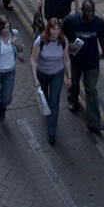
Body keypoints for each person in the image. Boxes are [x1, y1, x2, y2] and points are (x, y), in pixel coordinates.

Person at [63, 0, 104, 131]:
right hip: (75, 60)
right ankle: (73, 100)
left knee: (91, 90)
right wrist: (68, 45)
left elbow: (102, 37)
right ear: (82, 10)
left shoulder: (98, 22)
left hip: (91, 62)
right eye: (88, 11)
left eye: (93, 11)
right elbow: (62, 36)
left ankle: (94, 120)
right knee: (74, 83)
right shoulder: (71, 21)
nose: (91, 14)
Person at [31, 17, 73, 147]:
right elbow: (33, 60)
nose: (55, 32)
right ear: (48, 29)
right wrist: (35, 78)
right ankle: (46, 111)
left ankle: (51, 132)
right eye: (53, 29)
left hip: (57, 74)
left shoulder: (63, 41)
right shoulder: (41, 41)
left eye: (57, 29)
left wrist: (69, 77)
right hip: (42, 74)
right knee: (45, 100)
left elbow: (66, 59)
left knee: (54, 101)